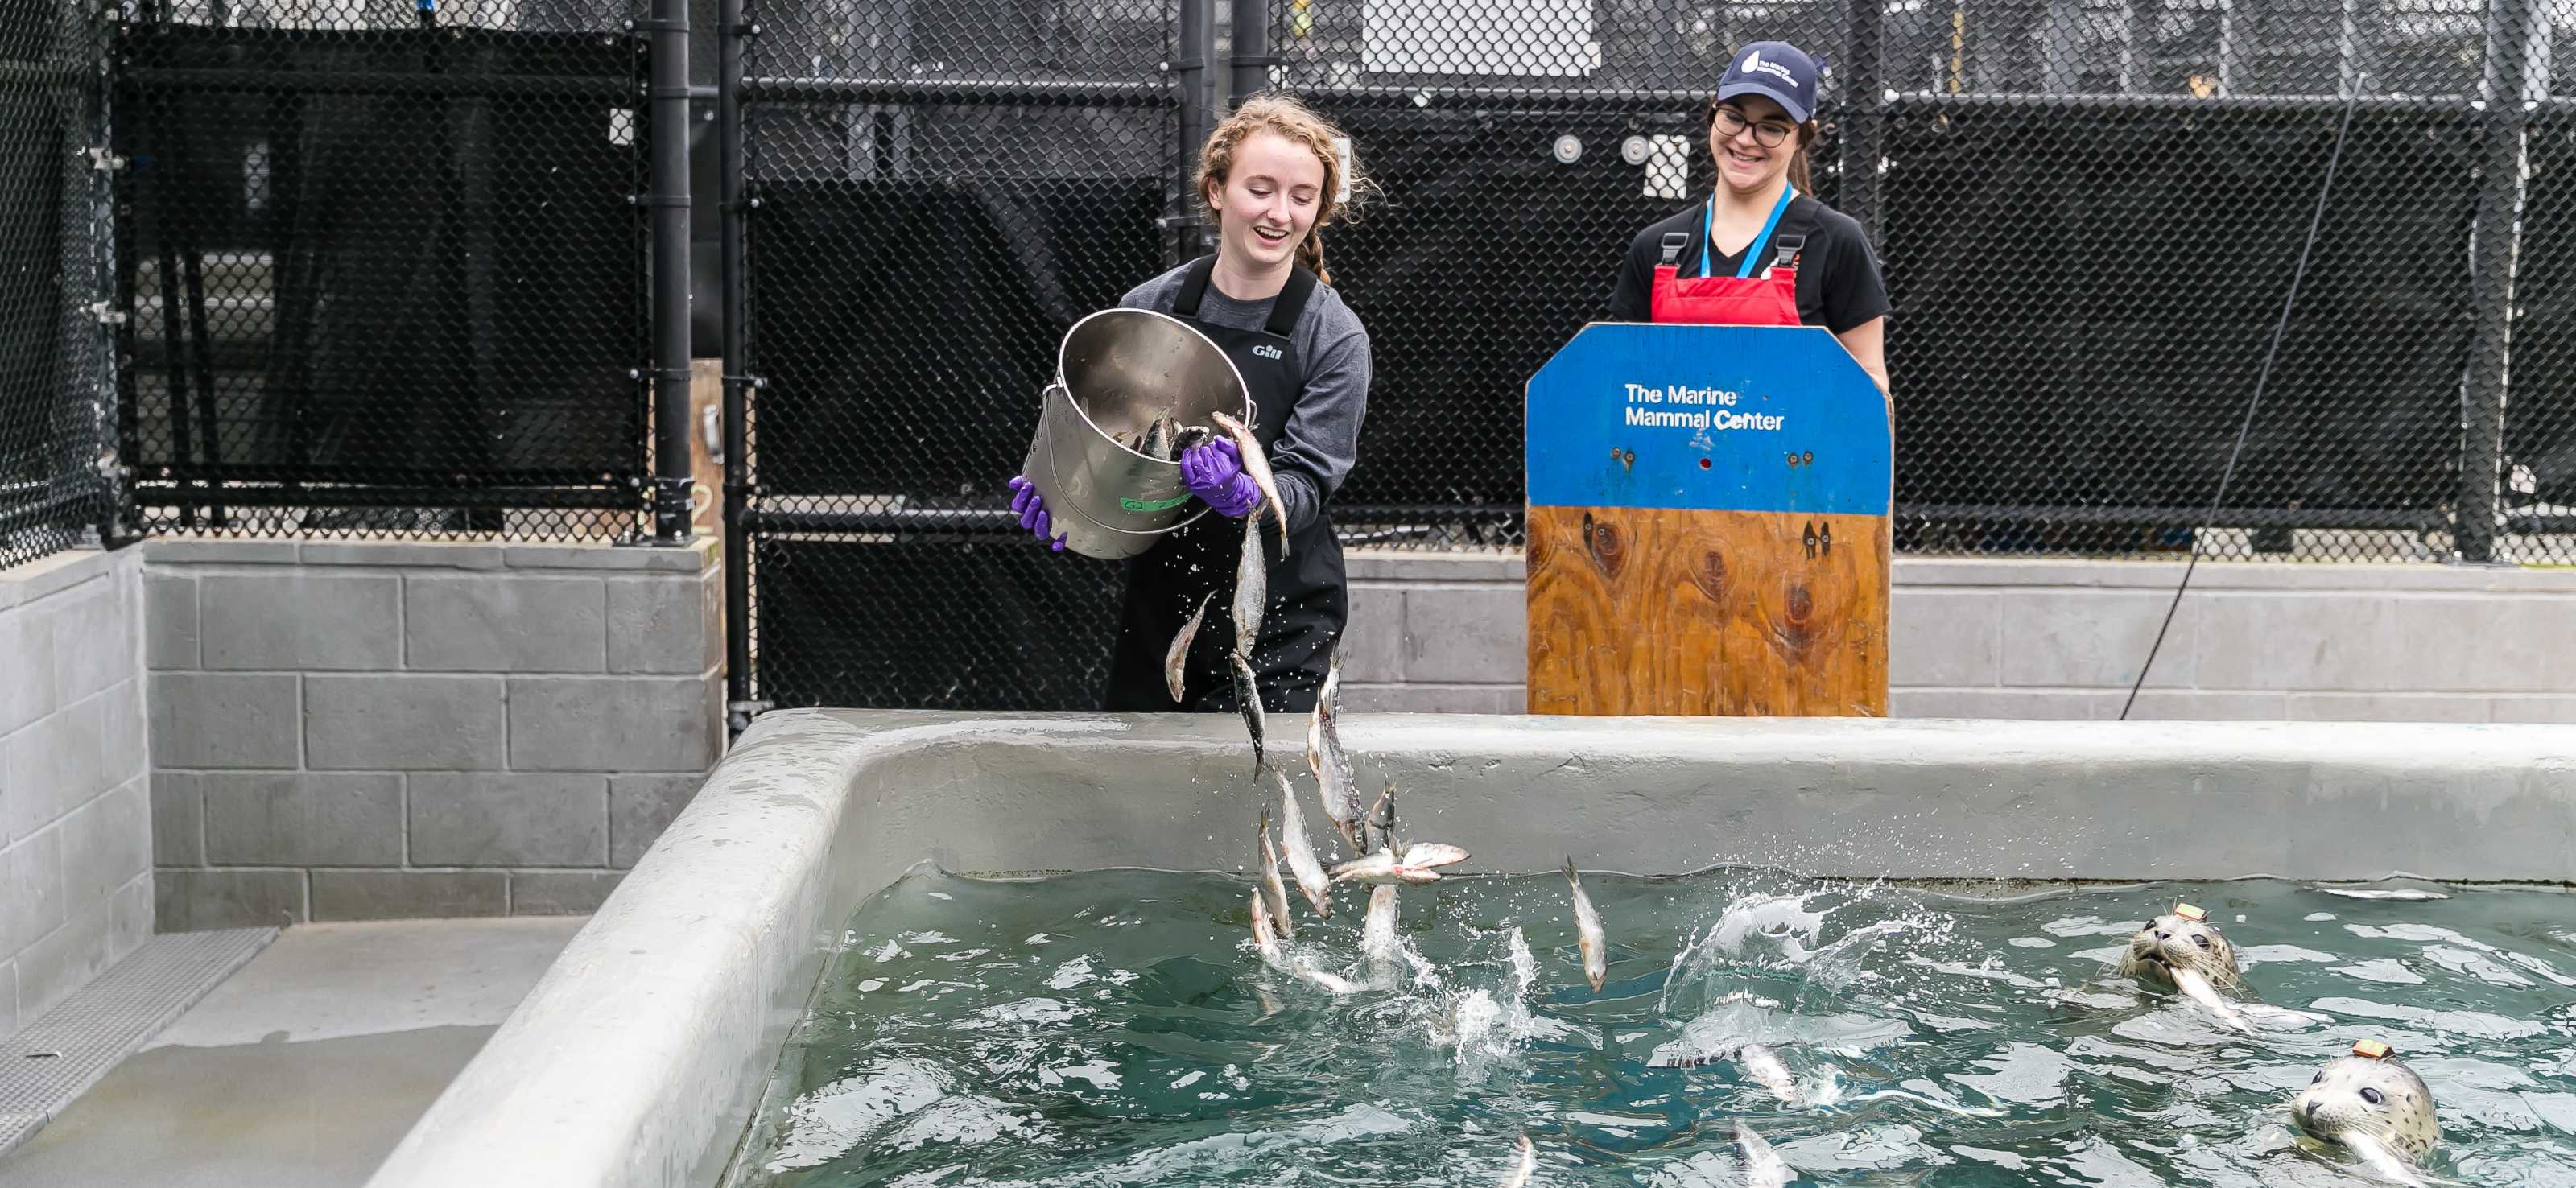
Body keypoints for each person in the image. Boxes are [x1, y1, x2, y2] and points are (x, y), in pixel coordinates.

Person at [1006, 94, 1374, 715]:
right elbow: (1107, 446)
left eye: (1301, 197)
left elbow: (1309, 485)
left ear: (1321, 209)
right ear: (1215, 191)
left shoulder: (1333, 335)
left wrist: (1248, 495)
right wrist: (1067, 495)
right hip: (1164, 611)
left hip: (1280, 623)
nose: (1280, 213)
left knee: (1259, 797)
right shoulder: (1150, 307)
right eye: (1260, 189)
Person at [1607, 40, 1889, 393]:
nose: (1745, 139)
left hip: (1792, 448)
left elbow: (1871, 388)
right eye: (1734, 117)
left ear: (1802, 138)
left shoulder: (1836, 241)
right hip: (1671, 448)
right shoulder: (1657, 246)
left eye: (1772, 127)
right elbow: (1619, 382)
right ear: (1712, 116)